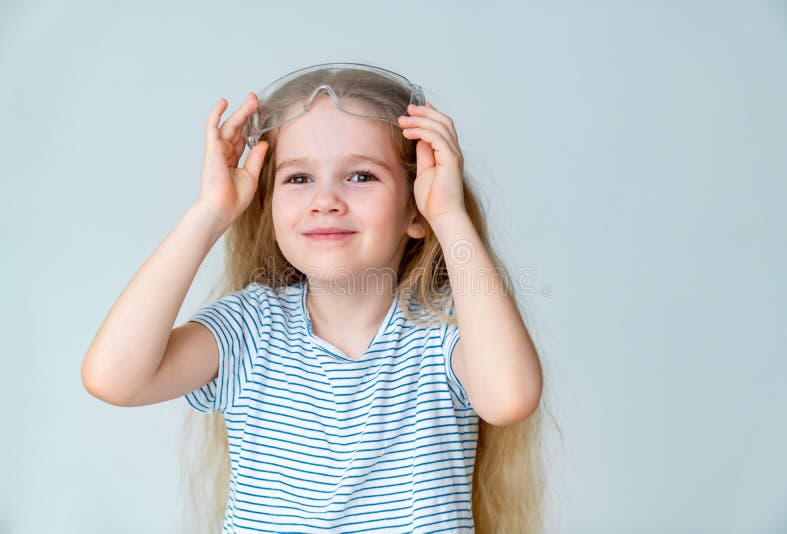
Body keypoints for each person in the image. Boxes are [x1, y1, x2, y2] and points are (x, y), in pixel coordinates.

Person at [81, 62, 550, 534]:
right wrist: (210, 212)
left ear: (415, 209)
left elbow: (510, 398)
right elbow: (115, 379)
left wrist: (448, 214)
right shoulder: (250, 329)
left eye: (361, 176)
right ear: (269, 209)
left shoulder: (446, 327)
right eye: (299, 179)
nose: (325, 200)